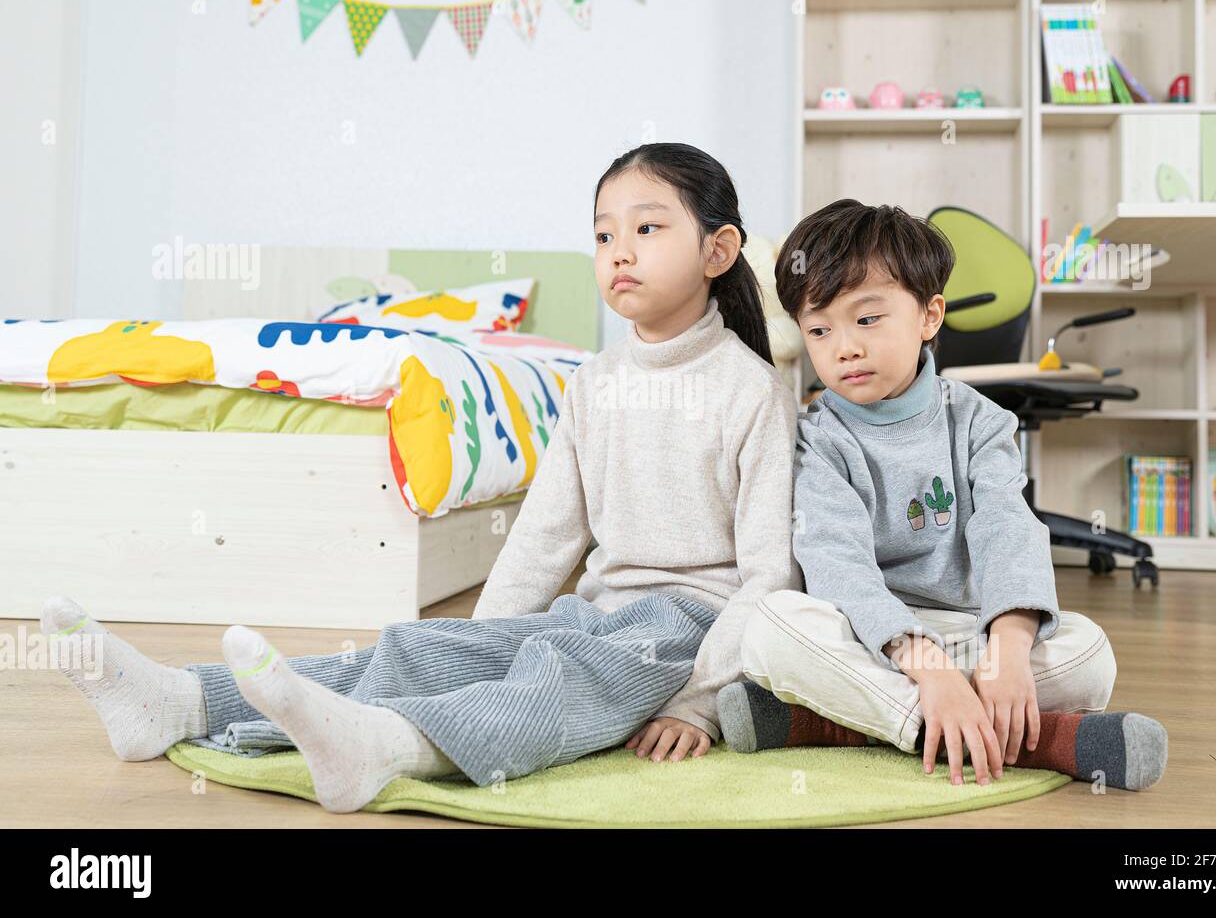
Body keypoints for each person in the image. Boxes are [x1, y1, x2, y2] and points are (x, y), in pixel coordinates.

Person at [41, 143, 799, 812]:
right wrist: (479, 645)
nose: (619, 251)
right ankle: (181, 702)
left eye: (647, 227)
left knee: (555, 682)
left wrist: (700, 703)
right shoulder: (590, 385)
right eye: (603, 234)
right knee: (418, 646)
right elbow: (542, 539)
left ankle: (386, 747)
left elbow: (769, 576)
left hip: (689, 629)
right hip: (596, 614)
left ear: (718, 249)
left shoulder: (753, 391)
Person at [717, 201, 1168, 792]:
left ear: (930, 316)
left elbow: (1008, 530)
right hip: (873, 634)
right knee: (771, 626)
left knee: (1092, 655)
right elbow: (837, 565)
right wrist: (928, 670)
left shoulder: (982, 422)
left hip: (972, 630)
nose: (844, 347)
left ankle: (841, 723)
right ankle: (1030, 737)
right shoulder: (818, 438)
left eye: (868, 320)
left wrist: (1006, 650)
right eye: (820, 329)